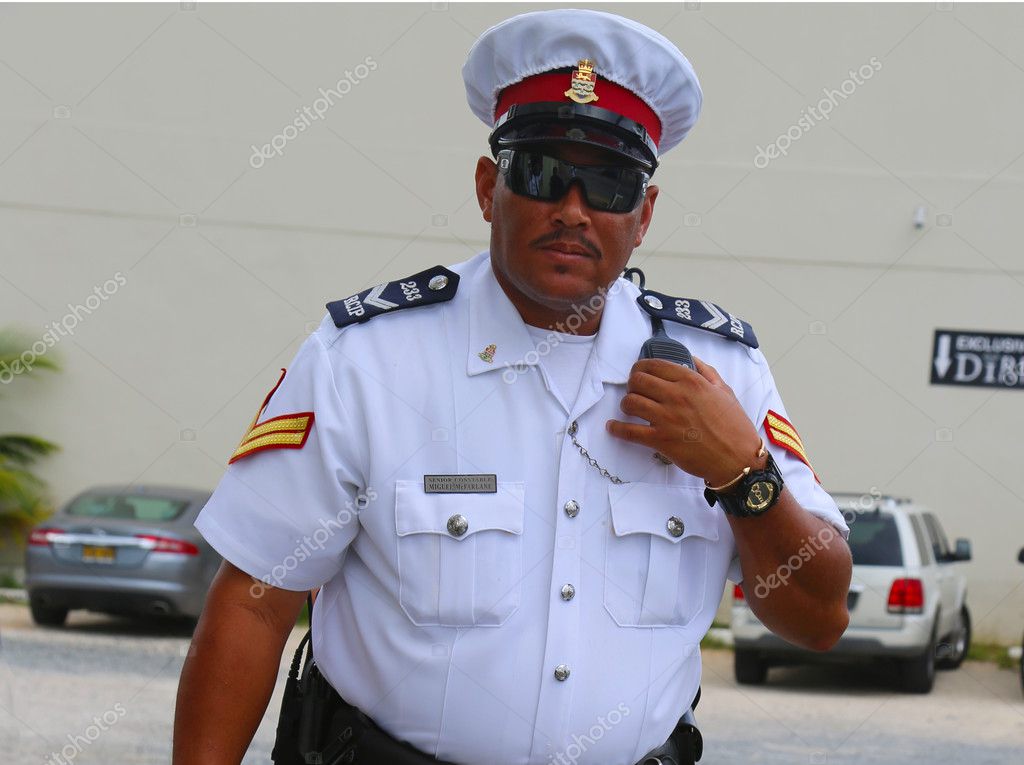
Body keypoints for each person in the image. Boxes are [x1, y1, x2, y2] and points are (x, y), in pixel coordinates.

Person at [173, 8, 852, 765]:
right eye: (542, 173)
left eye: (610, 183)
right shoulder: (366, 360)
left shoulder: (722, 372)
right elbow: (254, 605)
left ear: (644, 215)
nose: (573, 210)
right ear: (487, 186)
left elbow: (818, 618)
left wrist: (742, 473)